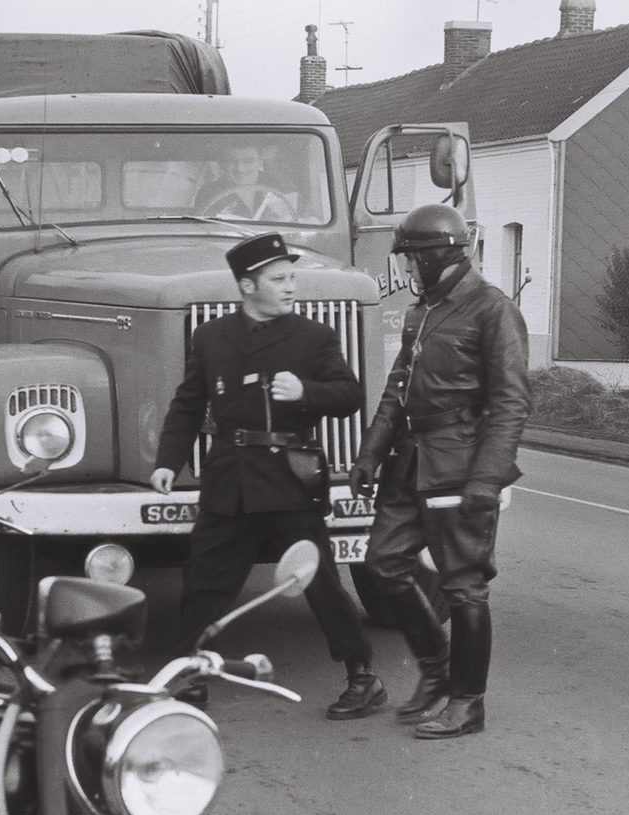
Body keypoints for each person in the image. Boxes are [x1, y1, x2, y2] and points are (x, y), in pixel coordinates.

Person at [151, 232, 385, 718]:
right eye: (278, 279)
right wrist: (168, 462)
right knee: (204, 581)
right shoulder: (212, 337)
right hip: (229, 479)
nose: (290, 287)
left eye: (291, 277)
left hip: (288, 478)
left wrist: (306, 392)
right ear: (247, 286)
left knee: (317, 580)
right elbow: (189, 404)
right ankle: (188, 676)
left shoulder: (313, 337)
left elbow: (350, 395)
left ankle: (363, 677)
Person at [348, 204, 531, 740]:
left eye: (410, 257)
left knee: (464, 585)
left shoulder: (492, 309)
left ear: (435, 256)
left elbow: (512, 403)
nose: (405, 267)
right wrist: (369, 454)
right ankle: (436, 671)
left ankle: (467, 703)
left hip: (460, 463)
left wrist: (487, 480)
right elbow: (397, 389)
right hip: (410, 459)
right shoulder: (421, 309)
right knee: (383, 563)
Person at [194, 144, 297, 222]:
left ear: (260, 161)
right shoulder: (209, 192)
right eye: (232, 162)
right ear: (222, 164)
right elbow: (207, 228)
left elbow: (295, 223)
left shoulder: (281, 186)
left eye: (248, 161)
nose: (240, 169)